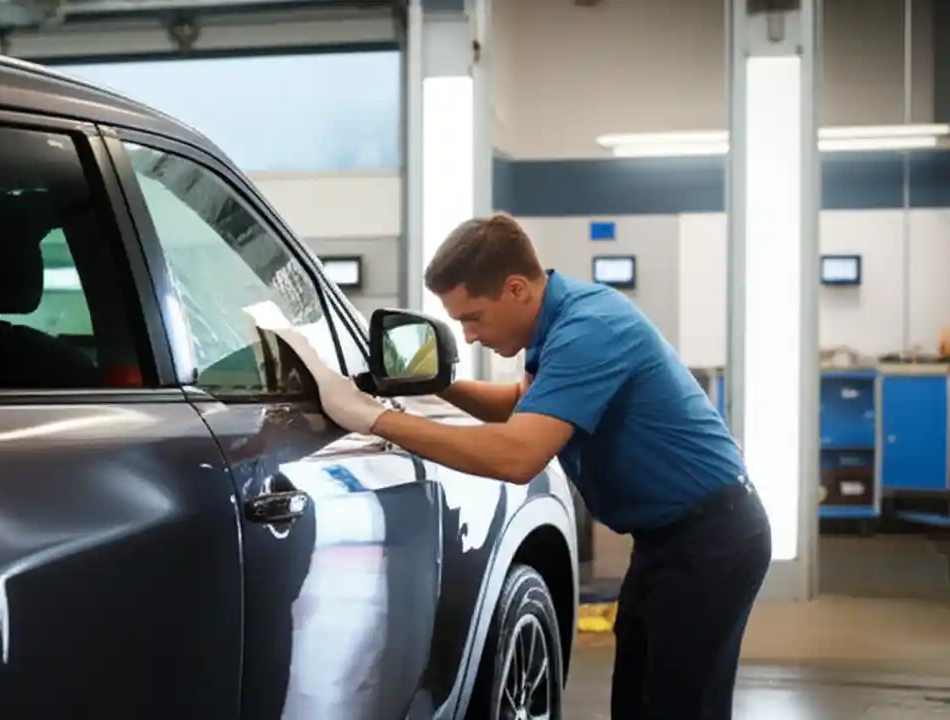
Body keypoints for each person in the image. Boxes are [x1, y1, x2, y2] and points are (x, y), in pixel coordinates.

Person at [269, 213, 772, 720]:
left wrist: (374, 419)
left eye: (473, 318)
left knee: (678, 707)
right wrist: (430, 384)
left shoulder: (590, 329)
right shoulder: (561, 319)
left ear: (516, 289)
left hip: (711, 538)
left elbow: (518, 454)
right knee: (638, 702)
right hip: (669, 537)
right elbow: (522, 403)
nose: (467, 337)